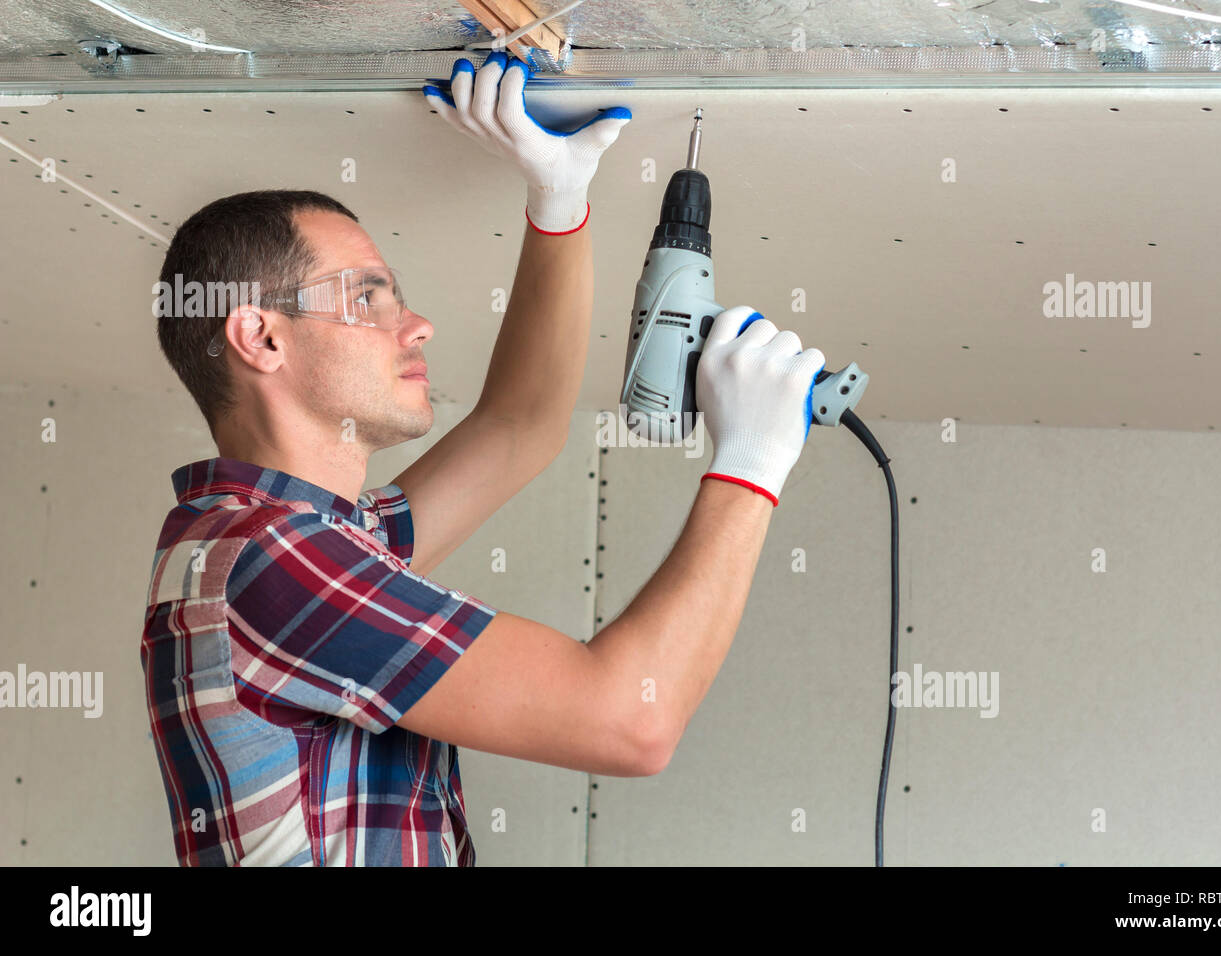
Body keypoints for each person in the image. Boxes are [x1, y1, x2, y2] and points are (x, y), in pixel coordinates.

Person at [141, 53, 824, 866]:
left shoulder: (278, 541)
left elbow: (519, 425)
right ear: (261, 336)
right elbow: (631, 722)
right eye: (366, 297)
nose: (417, 324)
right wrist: (752, 461)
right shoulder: (271, 560)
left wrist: (559, 201)